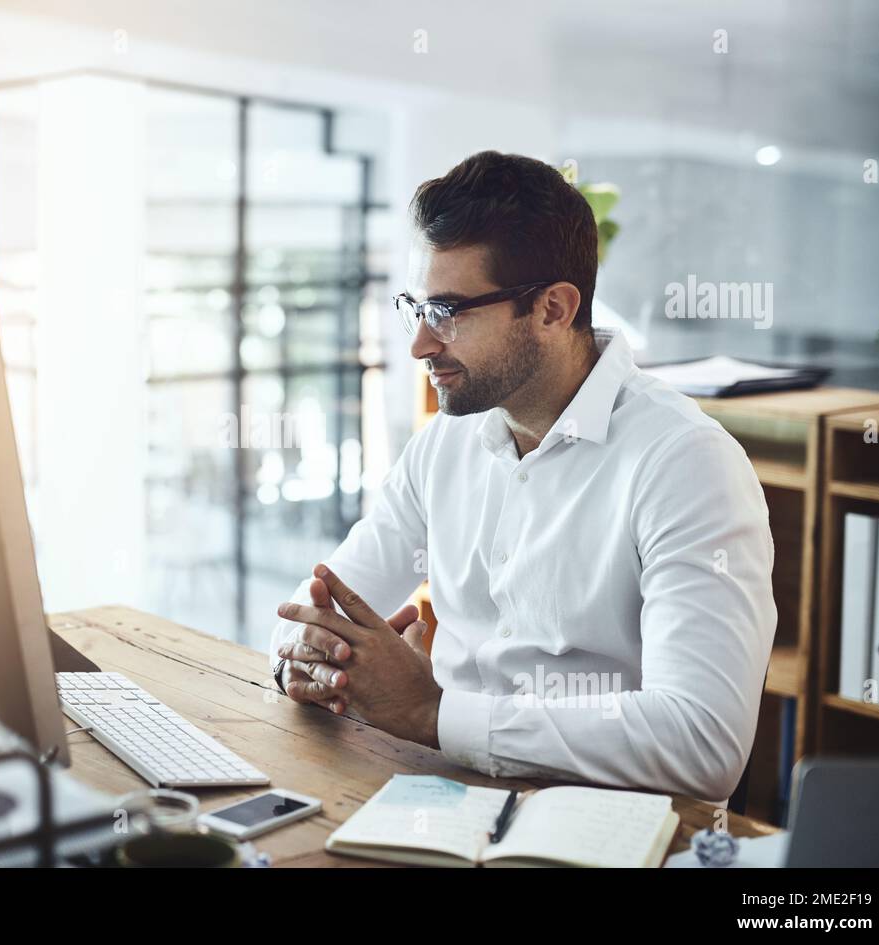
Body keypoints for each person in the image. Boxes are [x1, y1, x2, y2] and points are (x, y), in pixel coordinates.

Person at [269, 150, 776, 803]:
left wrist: (433, 712)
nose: (421, 344)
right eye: (418, 308)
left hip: (609, 829)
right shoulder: (446, 444)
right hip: (438, 799)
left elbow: (702, 742)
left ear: (553, 309)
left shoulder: (685, 463)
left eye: (448, 311)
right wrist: (311, 663)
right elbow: (310, 612)